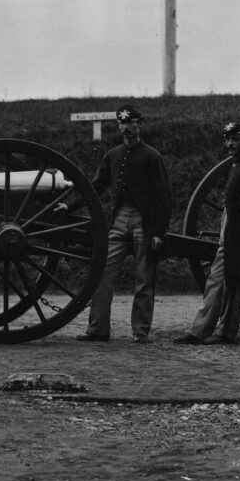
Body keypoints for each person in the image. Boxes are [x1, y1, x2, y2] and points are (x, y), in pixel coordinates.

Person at [80, 105, 172, 343]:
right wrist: (67, 205)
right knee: (101, 273)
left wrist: (158, 232)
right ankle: (97, 329)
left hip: (144, 223)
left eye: (130, 124)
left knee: (143, 279)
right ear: (119, 126)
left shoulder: (152, 156)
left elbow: (164, 197)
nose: (126, 129)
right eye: (122, 124)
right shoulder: (112, 155)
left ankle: (140, 332)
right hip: (119, 220)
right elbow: (96, 187)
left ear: (138, 125)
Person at [174, 121, 240, 345]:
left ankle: (222, 332)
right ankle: (203, 330)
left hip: (239, 228)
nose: (230, 143)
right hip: (231, 226)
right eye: (228, 139)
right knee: (218, 280)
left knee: (231, 280)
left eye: (235, 139)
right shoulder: (238, 164)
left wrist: (239, 208)